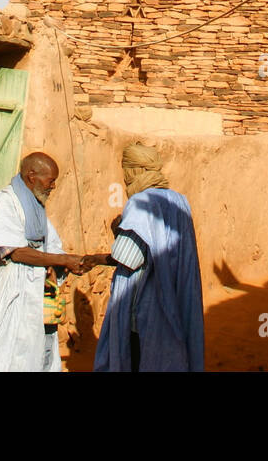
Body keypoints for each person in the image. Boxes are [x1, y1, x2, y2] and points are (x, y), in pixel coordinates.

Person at [0, 152, 87, 371]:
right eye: (50, 180)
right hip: (8, 296)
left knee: (30, 357)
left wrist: (62, 264)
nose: (53, 186)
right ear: (31, 176)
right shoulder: (6, 202)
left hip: (32, 299)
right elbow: (15, 251)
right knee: (2, 356)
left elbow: (49, 244)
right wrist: (61, 259)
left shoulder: (36, 206)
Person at [88, 143, 205, 371]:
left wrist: (93, 259)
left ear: (133, 171)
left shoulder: (141, 202)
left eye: (126, 172)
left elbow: (128, 256)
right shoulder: (179, 200)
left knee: (139, 358)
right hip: (175, 297)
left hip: (146, 308)